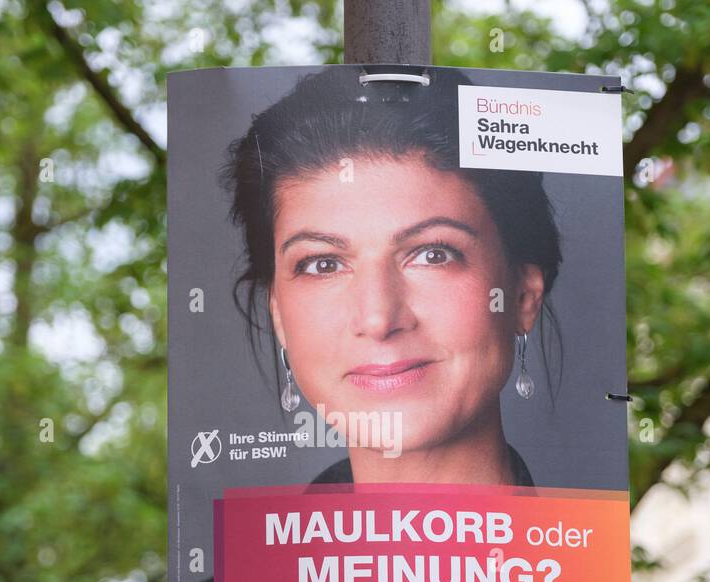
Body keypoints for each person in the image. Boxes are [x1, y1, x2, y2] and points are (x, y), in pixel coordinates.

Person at [223, 66, 564, 490]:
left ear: (523, 295)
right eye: (323, 264)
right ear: (278, 313)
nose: (378, 319)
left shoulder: (594, 547)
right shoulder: (234, 554)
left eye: (433, 254)